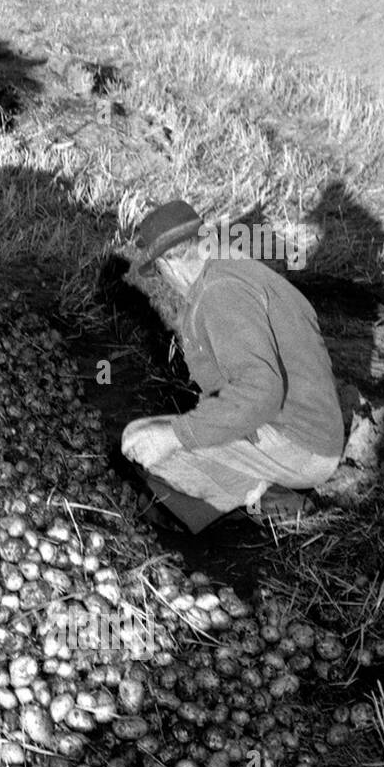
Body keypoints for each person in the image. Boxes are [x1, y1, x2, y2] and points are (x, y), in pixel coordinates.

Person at [120, 198, 344, 534]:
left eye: (161, 272)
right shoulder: (235, 266)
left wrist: (177, 435)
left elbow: (261, 392)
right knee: (166, 436)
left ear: (169, 264)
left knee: (143, 446)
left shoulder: (218, 293)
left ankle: (266, 498)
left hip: (300, 443)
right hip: (311, 425)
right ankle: (254, 485)